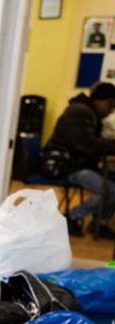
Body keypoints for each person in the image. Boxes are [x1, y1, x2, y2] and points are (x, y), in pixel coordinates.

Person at [42, 82, 115, 237]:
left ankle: (99, 224)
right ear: (99, 100)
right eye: (110, 105)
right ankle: (70, 218)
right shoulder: (80, 112)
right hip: (67, 165)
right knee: (107, 189)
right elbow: (88, 144)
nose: (110, 111)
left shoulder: (89, 113)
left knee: (112, 182)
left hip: (78, 163)